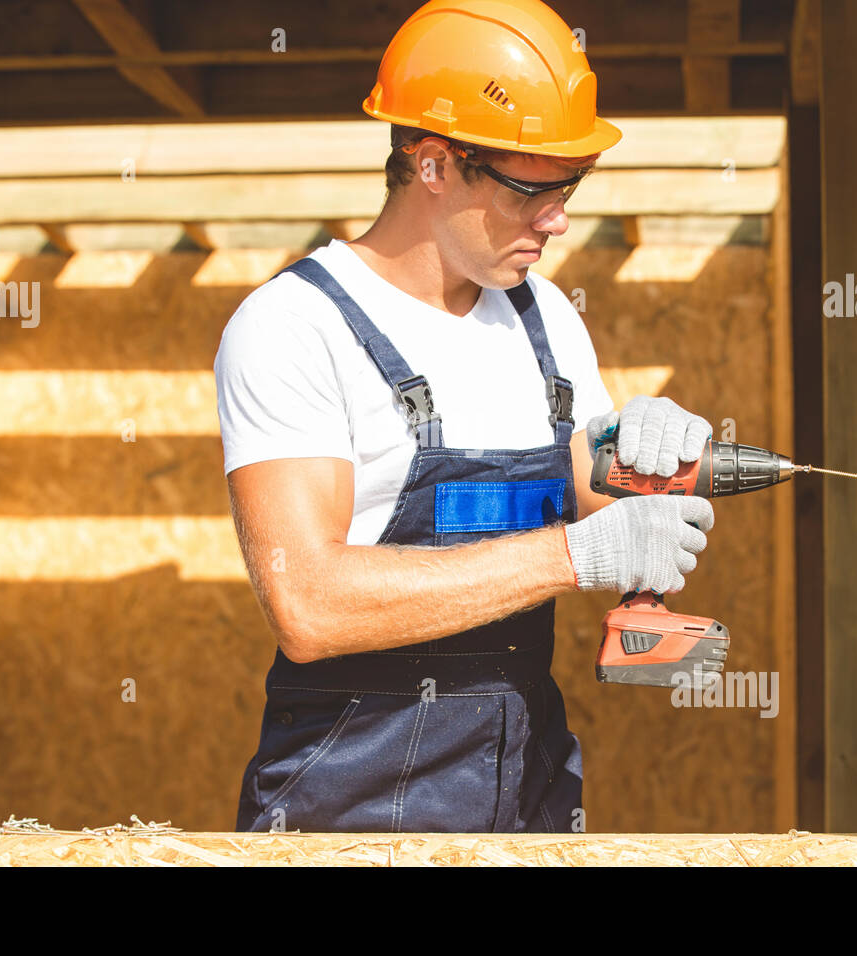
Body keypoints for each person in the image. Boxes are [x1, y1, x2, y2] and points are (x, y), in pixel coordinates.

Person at [214, 0, 715, 834]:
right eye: (532, 188)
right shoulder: (295, 326)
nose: (557, 217)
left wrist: (649, 469)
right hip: (346, 819)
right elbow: (310, 604)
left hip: (527, 800)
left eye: (572, 185)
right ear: (435, 163)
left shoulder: (545, 314)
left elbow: (610, 525)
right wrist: (573, 553)